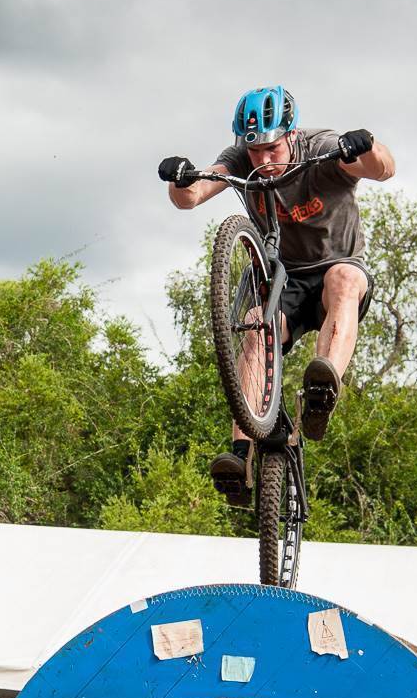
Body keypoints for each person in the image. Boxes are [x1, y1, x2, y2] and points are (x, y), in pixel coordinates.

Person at [157, 85, 394, 503]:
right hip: (285, 279)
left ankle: (322, 392)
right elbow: (190, 197)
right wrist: (179, 179)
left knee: (343, 278)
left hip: (335, 271)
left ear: (291, 135)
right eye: (255, 151)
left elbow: (383, 169)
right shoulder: (239, 161)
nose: (264, 161)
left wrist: (367, 144)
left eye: (272, 149)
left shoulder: (322, 148)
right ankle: (241, 457)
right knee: (255, 327)